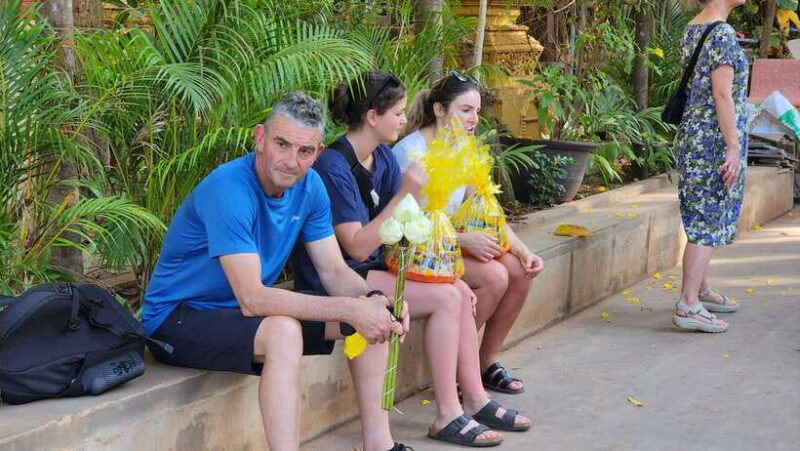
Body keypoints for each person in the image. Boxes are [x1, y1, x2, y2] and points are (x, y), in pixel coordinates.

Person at [141, 92, 412, 451]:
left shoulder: (311, 187)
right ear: (260, 138)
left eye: (304, 151)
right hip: (176, 319)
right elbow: (252, 298)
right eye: (282, 144)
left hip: (240, 315)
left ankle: (379, 444)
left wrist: (377, 301)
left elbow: (333, 270)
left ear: (317, 153)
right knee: (284, 332)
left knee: (374, 314)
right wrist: (351, 308)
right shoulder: (229, 189)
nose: (290, 161)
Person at [292, 70, 530, 447]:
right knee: (448, 298)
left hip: (378, 267)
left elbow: (403, 230)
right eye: (398, 113)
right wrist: (406, 193)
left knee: (456, 291)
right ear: (373, 117)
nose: (405, 120)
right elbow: (356, 247)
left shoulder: (383, 158)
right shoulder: (334, 167)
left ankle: (472, 399)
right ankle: (449, 412)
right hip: (340, 278)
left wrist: (450, 271)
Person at [393, 71, 544, 395]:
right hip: (418, 250)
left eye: (476, 111)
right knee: (495, 276)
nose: (474, 119)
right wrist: (461, 240)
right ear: (439, 110)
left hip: (451, 243)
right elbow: (401, 225)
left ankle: (484, 362)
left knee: (519, 270)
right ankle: (459, 368)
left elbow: (487, 208)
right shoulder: (409, 152)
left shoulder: (465, 147)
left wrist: (522, 250)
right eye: (465, 110)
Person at [670, 0, 747, 332]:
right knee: (706, 220)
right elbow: (721, 95)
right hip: (712, 141)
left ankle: (699, 288)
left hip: (693, 135)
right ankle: (688, 304)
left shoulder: (695, 26)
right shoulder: (723, 33)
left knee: (703, 214)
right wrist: (733, 147)